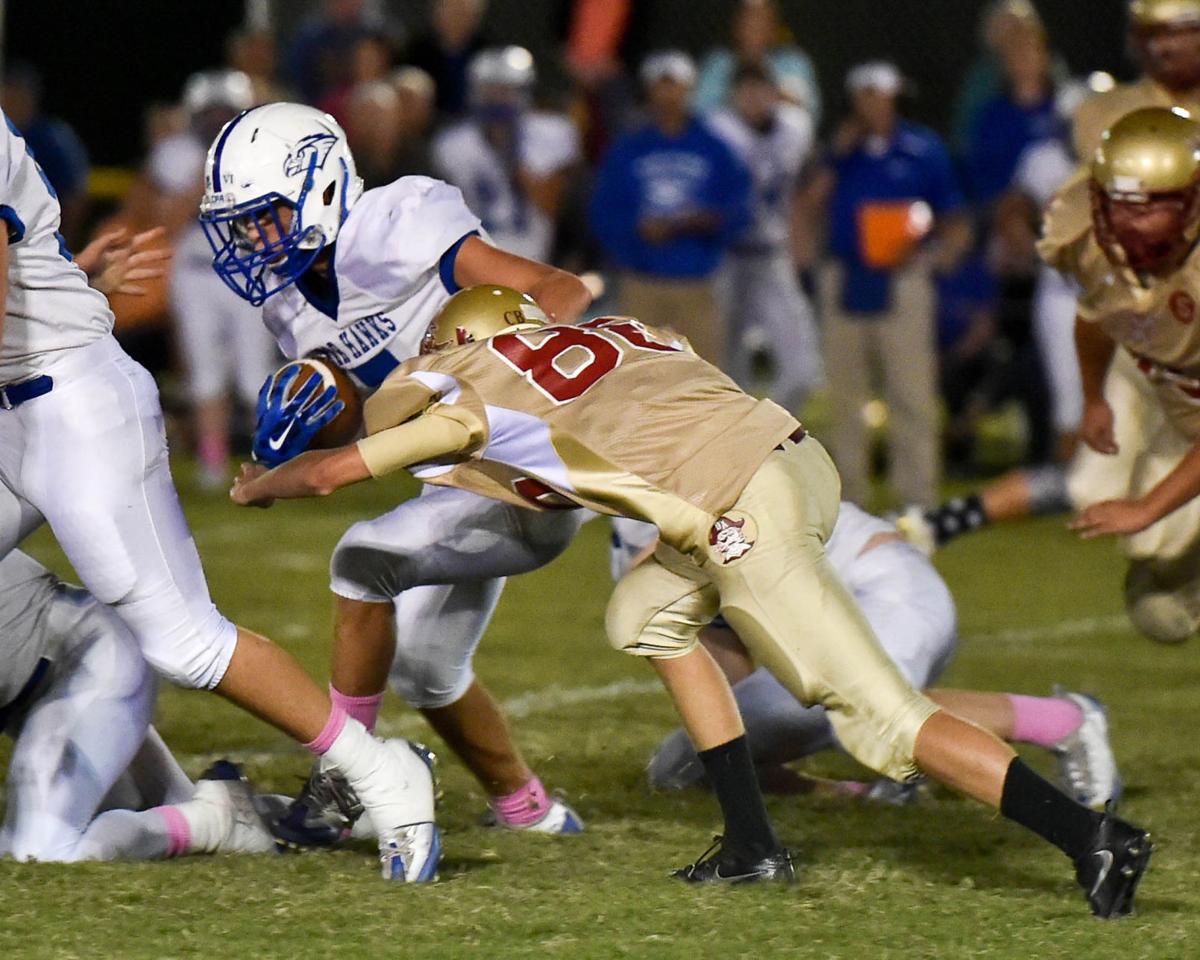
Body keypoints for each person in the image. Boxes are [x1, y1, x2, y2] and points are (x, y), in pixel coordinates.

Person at [231, 285, 1152, 916]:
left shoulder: (470, 387)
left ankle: (1090, 837)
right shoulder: (624, 330)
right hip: (801, 463)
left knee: (882, 720)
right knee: (642, 615)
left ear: (460, 344)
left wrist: (261, 483)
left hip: (738, 508)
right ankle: (751, 841)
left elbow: (339, 473)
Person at [0, 106, 438, 884]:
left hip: (68, 410)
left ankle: (377, 774)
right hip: (19, 402)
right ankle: (106, 724)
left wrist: (58, 295)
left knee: (182, 638)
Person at [199, 102, 591, 839]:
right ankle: (531, 813)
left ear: (319, 186)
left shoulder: (397, 223)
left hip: (517, 460)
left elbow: (559, 290)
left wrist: (508, 384)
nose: (253, 238)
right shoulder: (288, 307)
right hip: (451, 475)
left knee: (361, 561)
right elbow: (370, 419)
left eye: (265, 216)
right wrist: (322, 415)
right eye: (242, 224)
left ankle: (345, 785)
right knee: (428, 669)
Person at [903, 0, 1200, 555]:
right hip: (1103, 307)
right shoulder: (1057, 169)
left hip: (1154, 313)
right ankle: (969, 518)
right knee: (1085, 441)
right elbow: (1029, 224)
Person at [640, 502, 1120, 812]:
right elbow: (727, 679)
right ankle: (860, 792)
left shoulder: (669, 473)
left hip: (885, 590)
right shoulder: (634, 510)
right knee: (682, 767)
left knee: (851, 707)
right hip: (855, 608)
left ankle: (1066, 720)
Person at [0, 549, 278, 862]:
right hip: (33, 690)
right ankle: (300, 817)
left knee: (42, 855)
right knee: (167, 803)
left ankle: (215, 820)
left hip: (85, 658)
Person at [812, 61, 971, 507]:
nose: (873, 104)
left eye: (881, 95)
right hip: (844, 276)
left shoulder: (921, 149)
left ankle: (917, 499)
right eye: (865, 95)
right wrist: (836, 154)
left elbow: (953, 216)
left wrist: (937, 259)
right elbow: (809, 203)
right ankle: (847, 502)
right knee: (846, 399)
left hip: (902, 280)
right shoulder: (840, 154)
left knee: (912, 396)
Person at [151, 69, 280, 490]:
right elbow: (166, 223)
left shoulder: (262, 152)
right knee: (205, 375)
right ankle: (212, 463)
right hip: (195, 272)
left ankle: (275, 461)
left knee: (254, 376)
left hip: (247, 269)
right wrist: (202, 181)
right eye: (211, 113)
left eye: (226, 113)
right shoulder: (176, 154)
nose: (217, 122)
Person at [589, 51, 750, 365]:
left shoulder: (714, 147)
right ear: (650, 90)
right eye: (661, 86)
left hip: (697, 281)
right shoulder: (628, 148)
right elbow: (603, 211)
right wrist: (636, 234)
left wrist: (704, 223)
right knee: (637, 376)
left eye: (674, 86)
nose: (668, 95)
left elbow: (738, 208)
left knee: (703, 374)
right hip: (642, 279)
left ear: (689, 89)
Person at [705, 61, 822, 412]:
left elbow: (809, 184)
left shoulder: (795, 126)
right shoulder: (718, 130)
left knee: (802, 366)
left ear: (775, 92)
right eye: (746, 90)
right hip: (726, 257)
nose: (754, 98)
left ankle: (775, 432)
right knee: (725, 366)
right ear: (733, 96)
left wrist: (805, 236)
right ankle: (736, 441)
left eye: (761, 89)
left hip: (773, 255)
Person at [432, 47, 580, 264]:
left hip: (537, 260)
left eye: (506, 90)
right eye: (490, 91)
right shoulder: (453, 144)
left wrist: (511, 153)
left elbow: (557, 208)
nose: (498, 100)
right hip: (474, 261)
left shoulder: (553, 132)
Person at [692, 0, 821, 122]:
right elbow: (697, 109)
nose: (755, 27)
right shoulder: (719, 62)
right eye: (749, 19)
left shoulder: (793, 62)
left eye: (762, 20)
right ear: (736, 26)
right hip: (730, 140)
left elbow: (811, 113)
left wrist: (772, 97)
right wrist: (736, 98)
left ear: (774, 27)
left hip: (775, 139)